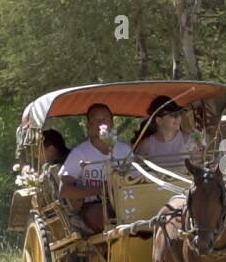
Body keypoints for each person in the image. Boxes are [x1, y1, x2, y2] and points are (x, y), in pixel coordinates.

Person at [59, 104, 132, 233]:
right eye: (97, 121)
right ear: (88, 126)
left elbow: (136, 177)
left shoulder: (124, 150)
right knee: (106, 217)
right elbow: (65, 190)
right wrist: (100, 190)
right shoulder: (80, 153)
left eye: (105, 120)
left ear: (112, 123)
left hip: (126, 202)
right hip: (93, 205)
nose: (102, 124)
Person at [133, 95, 203, 164]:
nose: (178, 118)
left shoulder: (187, 141)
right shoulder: (146, 145)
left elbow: (198, 166)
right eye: (173, 115)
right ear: (159, 120)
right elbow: (134, 171)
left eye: (179, 114)